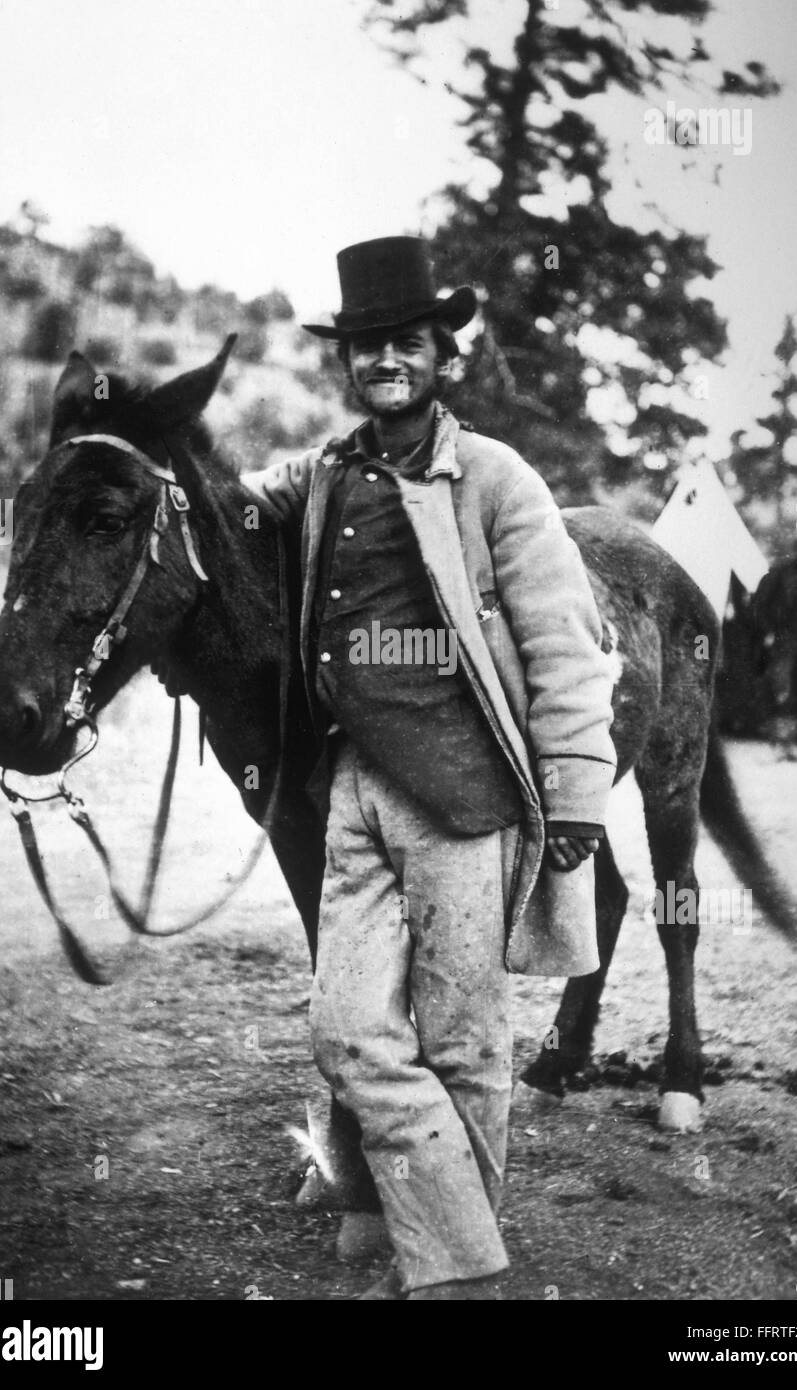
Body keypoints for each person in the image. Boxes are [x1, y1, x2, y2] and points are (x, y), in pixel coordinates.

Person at [246, 236, 617, 1300]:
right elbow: (236, 506)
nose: (386, 361)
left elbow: (562, 644)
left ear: (441, 354)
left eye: (406, 341)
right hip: (356, 787)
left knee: (462, 1043)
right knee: (347, 1026)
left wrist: (577, 794)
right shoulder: (324, 473)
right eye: (367, 346)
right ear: (347, 363)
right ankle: (451, 1248)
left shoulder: (496, 477)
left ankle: (450, 1273)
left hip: (465, 794)